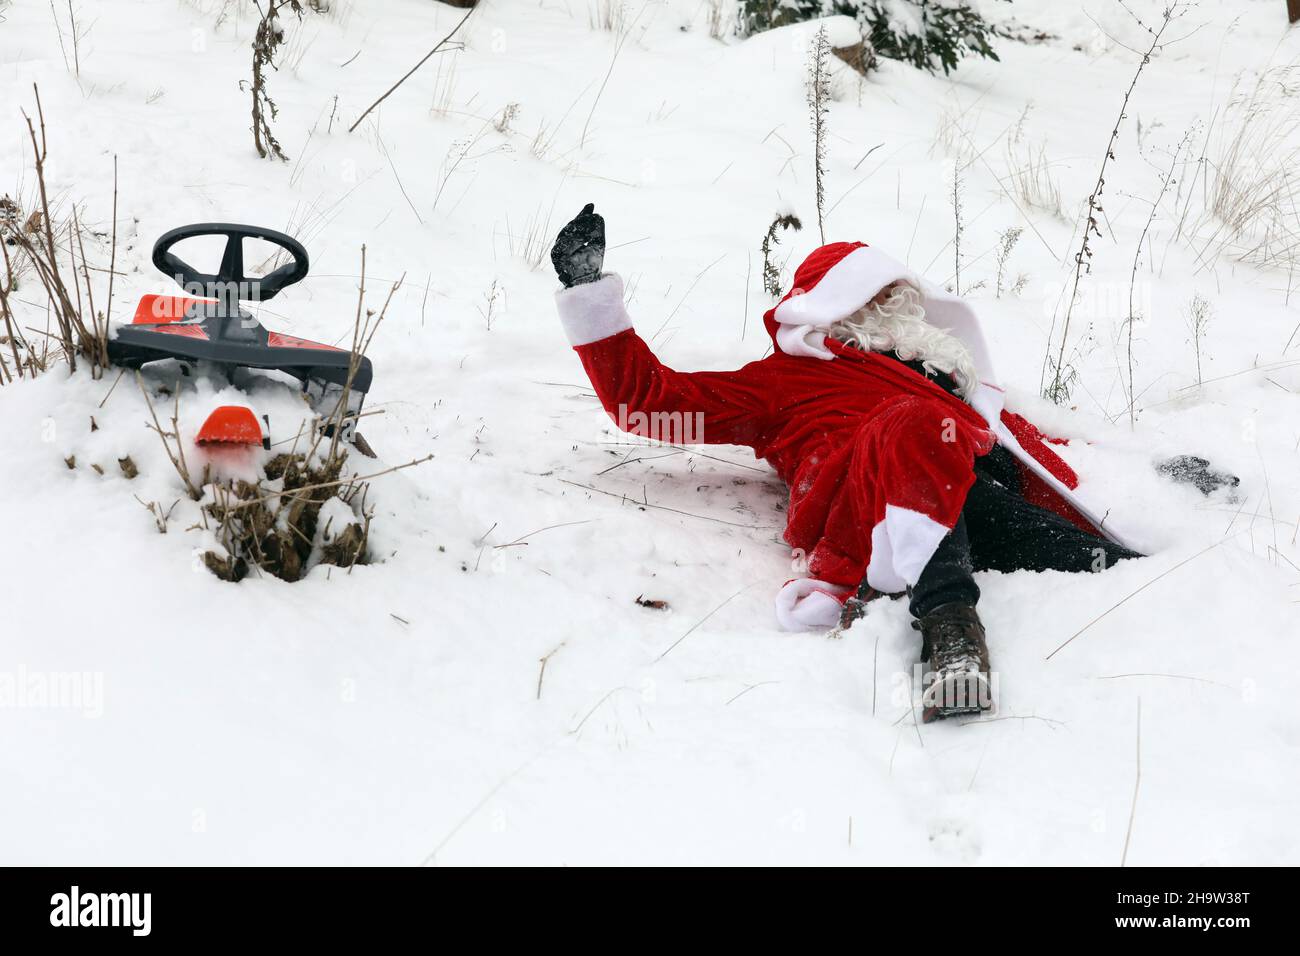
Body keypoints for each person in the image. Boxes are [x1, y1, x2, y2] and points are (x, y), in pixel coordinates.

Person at [548, 205, 1230, 721]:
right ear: (834, 306)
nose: (898, 309)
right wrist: (590, 293)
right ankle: (949, 631)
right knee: (918, 429)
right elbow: (650, 404)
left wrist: (1160, 472)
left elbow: (1044, 447)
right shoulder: (783, 379)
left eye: (899, 298)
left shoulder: (947, 381)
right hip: (868, 504)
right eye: (878, 298)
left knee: (1090, 558)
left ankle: (1158, 602)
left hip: (961, 494)